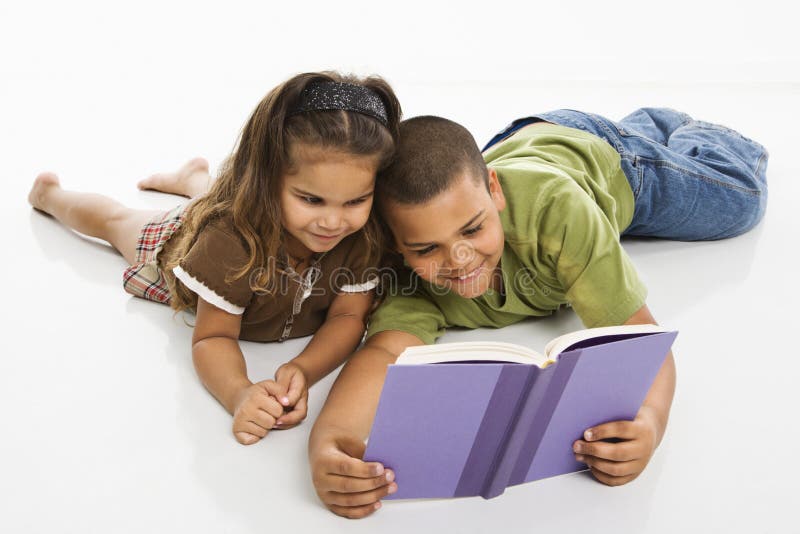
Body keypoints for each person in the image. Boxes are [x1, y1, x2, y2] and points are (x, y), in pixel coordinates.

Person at [308, 108, 768, 518]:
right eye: (427, 248)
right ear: (395, 244)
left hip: (603, 159)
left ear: (494, 192)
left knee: (741, 199)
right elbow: (384, 352)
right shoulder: (407, 274)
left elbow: (638, 337)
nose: (460, 259)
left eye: (473, 228)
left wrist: (651, 421)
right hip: (518, 146)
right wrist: (330, 443)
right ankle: (627, 128)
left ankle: (671, 128)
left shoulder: (557, 211)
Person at [27, 71, 402, 445]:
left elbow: (349, 316)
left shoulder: (361, 235)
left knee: (212, 199)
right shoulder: (228, 241)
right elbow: (213, 337)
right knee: (117, 222)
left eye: (356, 201)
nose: (333, 221)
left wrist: (303, 369)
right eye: (311, 199)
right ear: (266, 180)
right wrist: (239, 393)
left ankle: (193, 179)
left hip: (237, 211)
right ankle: (51, 196)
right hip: (181, 240)